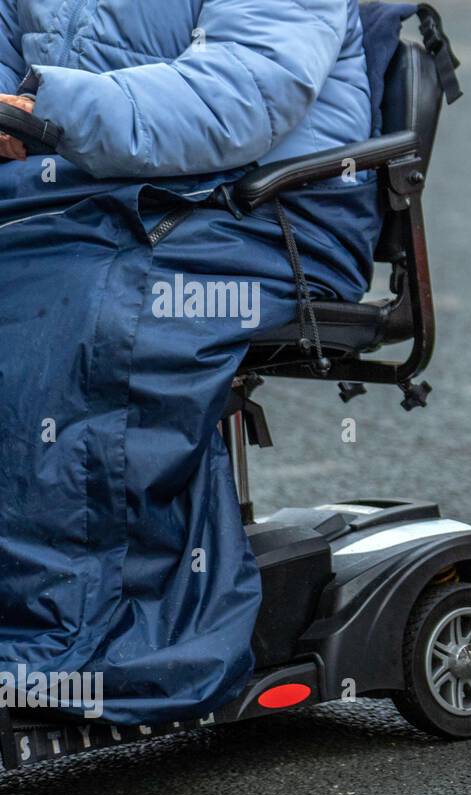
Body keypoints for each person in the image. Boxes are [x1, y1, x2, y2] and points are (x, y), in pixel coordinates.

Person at [0, 0, 381, 723]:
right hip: (86, 196)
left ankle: (84, 643)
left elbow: (246, 91)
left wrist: (46, 108)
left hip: (265, 209)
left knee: (79, 328)